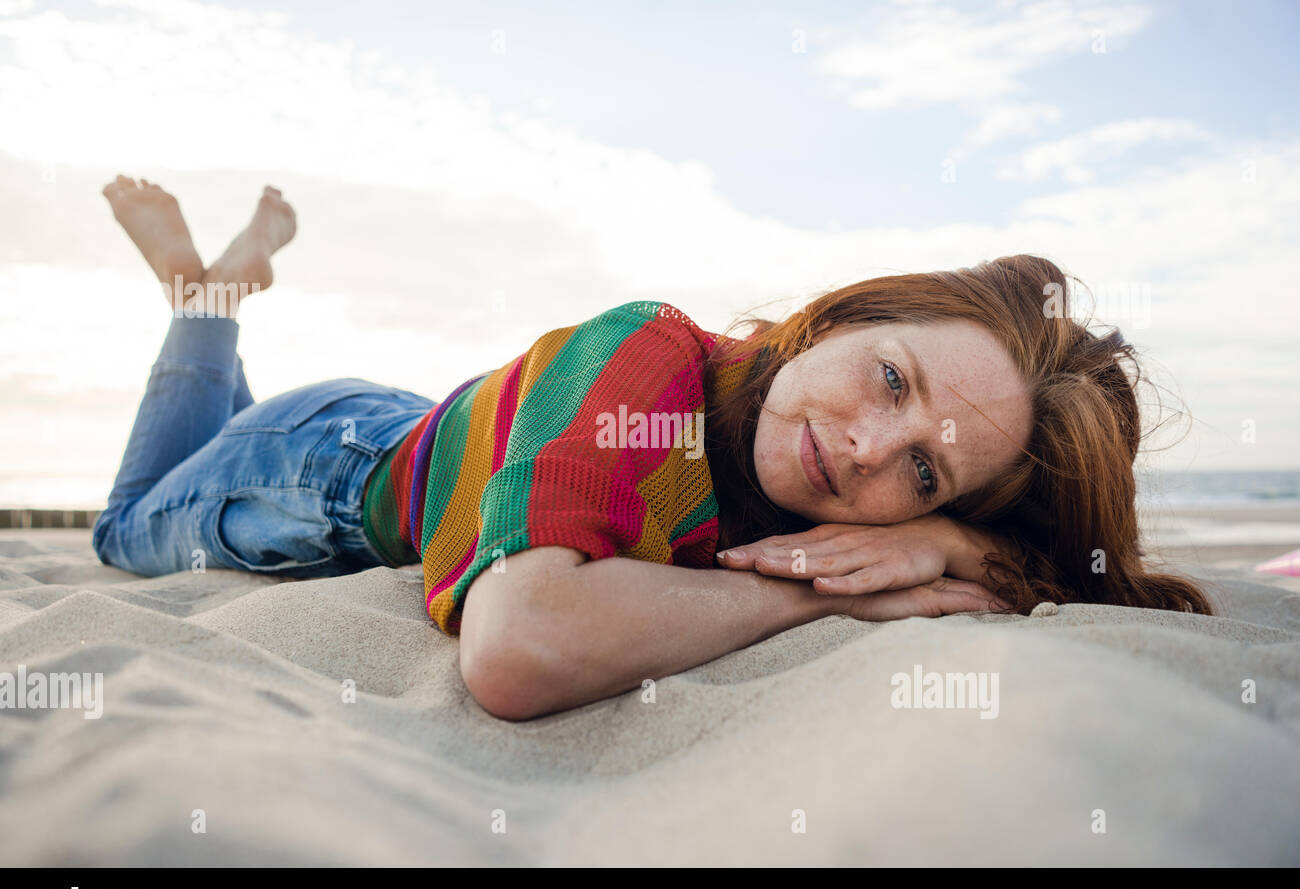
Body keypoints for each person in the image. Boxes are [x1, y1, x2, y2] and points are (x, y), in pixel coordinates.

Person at [91, 176, 1212, 721]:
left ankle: (216, 311)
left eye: (925, 469)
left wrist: (950, 547)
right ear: (839, 318)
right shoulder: (647, 354)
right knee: (126, 524)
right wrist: (824, 597)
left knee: (186, 465)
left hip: (433, 420)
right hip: (327, 470)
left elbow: (1058, 572)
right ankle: (208, 300)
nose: (866, 449)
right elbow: (516, 647)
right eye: (888, 379)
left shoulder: (879, 505)